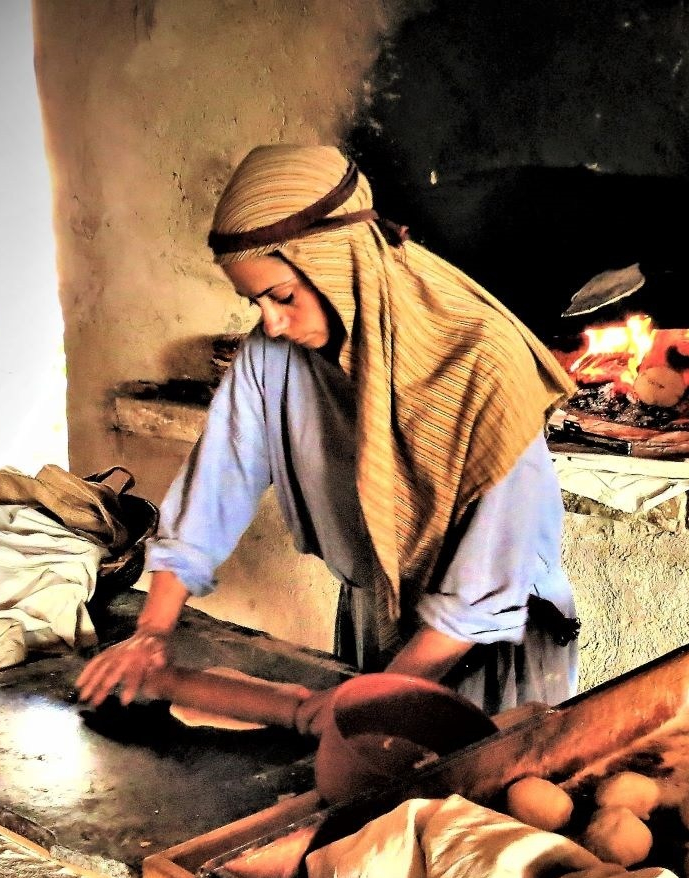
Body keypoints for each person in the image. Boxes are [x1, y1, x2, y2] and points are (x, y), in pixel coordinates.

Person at [76, 145, 580, 730]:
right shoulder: (273, 357)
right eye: (255, 301)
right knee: (371, 790)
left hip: (498, 640)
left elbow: (479, 596)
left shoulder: (483, 362)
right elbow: (215, 487)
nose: (270, 322)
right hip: (378, 611)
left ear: (339, 267)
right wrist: (152, 633)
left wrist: (362, 702)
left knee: (475, 803)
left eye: (283, 296)